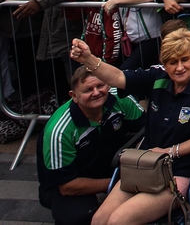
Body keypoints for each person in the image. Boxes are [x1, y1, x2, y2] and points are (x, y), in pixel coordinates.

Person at [67, 29, 190, 225]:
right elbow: (118, 78)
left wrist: (169, 152)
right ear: (164, 63)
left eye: (185, 59)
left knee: (118, 221)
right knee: (99, 220)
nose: (179, 68)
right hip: (146, 163)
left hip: (179, 171)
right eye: (172, 62)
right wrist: (89, 59)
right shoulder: (157, 75)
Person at [37, 66, 146, 225]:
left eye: (100, 86)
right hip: (67, 180)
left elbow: (148, 131)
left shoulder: (121, 98)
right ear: (73, 96)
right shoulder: (59, 130)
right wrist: (118, 182)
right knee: (77, 217)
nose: (96, 92)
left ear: (108, 85)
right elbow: (66, 186)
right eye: (88, 90)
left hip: (108, 162)